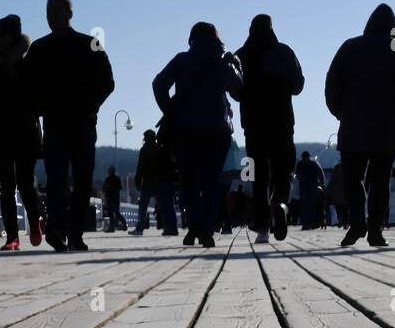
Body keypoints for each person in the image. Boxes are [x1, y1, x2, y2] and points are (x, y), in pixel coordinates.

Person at [27, 0, 115, 252]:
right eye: (48, 12)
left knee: (81, 181)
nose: (51, 16)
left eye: (56, 11)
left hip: (82, 123)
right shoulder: (38, 49)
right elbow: (28, 86)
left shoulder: (91, 45)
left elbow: (107, 82)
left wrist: (91, 106)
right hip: (57, 124)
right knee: (56, 181)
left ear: (69, 14)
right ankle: (57, 230)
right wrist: (39, 109)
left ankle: (74, 233)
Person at [324, 3, 395, 247]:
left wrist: (340, 112)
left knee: (353, 179)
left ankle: (356, 224)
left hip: (354, 125)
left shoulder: (350, 47)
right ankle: (375, 230)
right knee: (380, 181)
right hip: (387, 128)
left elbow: (332, 84)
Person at [153, 24, 242, 248]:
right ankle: (207, 229)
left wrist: (170, 111)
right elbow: (239, 89)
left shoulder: (182, 60)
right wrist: (236, 67)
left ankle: (193, 225)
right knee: (211, 182)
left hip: (185, 130)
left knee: (189, 181)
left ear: (191, 39)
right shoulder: (223, 61)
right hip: (216, 130)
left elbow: (159, 84)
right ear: (216, 38)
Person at [234, 14, 304, 244]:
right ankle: (281, 204)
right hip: (282, 122)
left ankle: (263, 227)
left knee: (257, 176)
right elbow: (298, 85)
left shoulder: (242, 55)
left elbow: (235, 91)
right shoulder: (284, 52)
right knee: (283, 170)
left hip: (253, 126)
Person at [0, 13, 43, 251]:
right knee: (6, 184)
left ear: (13, 36)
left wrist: (17, 85)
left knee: (25, 181)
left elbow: (38, 93)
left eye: (1, 34)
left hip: (25, 127)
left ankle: (35, 221)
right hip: (0, 129)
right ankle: (12, 236)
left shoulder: (28, 60)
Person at [130, 128, 178, 235]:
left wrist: (138, 181)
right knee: (163, 205)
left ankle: (140, 228)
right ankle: (169, 227)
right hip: (160, 180)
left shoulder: (144, 150)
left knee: (143, 206)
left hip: (147, 180)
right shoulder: (159, 149)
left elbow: (140, 167)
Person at [296, 150, 325, 229]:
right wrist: (321, 184)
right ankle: (308, 224)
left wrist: (321, 184)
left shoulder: (302, 164)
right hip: (307, 187)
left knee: (310, 206)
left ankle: (310, 223)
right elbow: (321, 173)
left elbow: (320, 173)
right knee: (308, 206)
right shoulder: (312, 163)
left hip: (310, 187)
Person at [101, 165, 125, 230]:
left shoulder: (107, 179)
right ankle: (123, 223)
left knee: (111, 213)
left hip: (110, 198)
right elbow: (120, 188)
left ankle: (112, 227)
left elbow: (103, 189)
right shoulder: (117, 179)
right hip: (115, 198)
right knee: (116, 213)